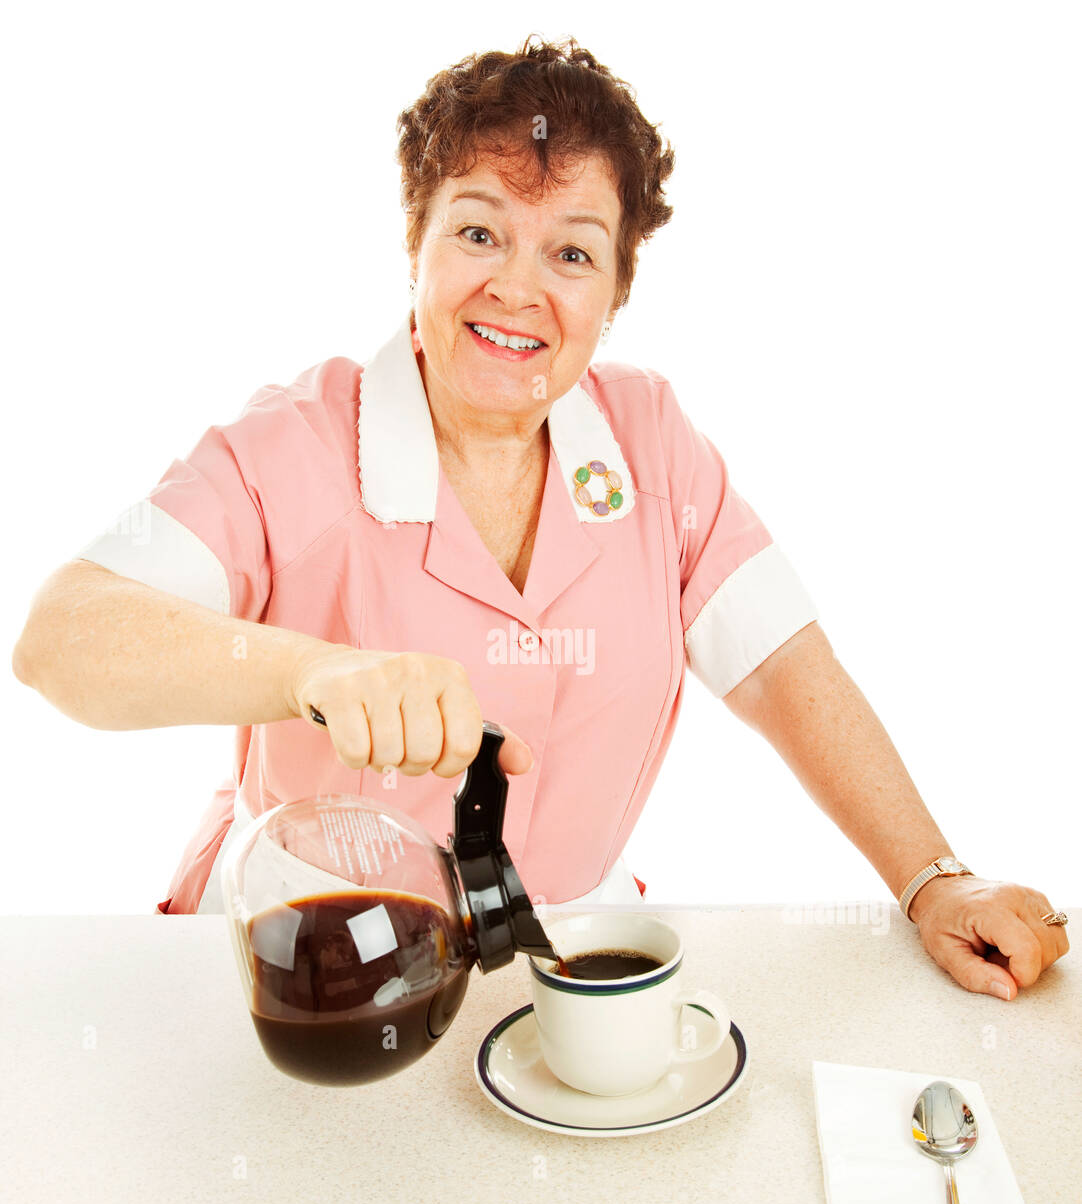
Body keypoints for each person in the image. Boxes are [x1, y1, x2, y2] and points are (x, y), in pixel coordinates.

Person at [11, 35, 1068, 1000]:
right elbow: (60, 636)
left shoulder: (648, 438)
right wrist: (310, 672)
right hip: (309, 971)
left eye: (569, 252)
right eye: (478, 231)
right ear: (415, 245)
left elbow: (782, 664)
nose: (517, 289)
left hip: (557, 971)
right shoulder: (290, 446)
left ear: (612, 292)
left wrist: (935, 880)